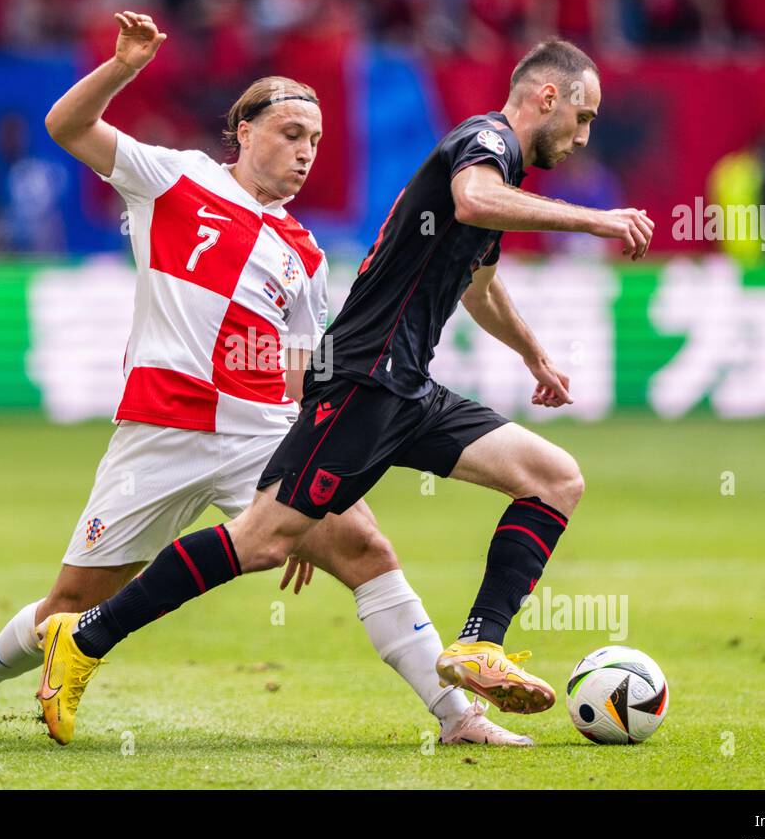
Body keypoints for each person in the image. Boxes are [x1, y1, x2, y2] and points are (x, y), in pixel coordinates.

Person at [0, 12, 529, 749]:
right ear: (244, 130)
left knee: (367, 553)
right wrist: (125, 65)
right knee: (74, 602)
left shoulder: (306, 253)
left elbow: (304, 374)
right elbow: (66, 125)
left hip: (257, 439)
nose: (304, 152)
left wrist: (313, 482)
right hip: (159, 431)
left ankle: (459, 720)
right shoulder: (172, 176)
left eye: (315, 141)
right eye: (290, 134)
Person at [38, 36, 655, 742]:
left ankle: (479, 644)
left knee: (554, 478)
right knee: (265, 541)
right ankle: (84, 639)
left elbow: (480, 284)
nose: (583, 136)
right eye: (584, 117)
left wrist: (535, 357)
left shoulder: (495, 170)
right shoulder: (483, 144)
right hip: (363, 377)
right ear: (549, 98)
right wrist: (597, 220)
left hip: (407, 385)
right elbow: (475, 199)